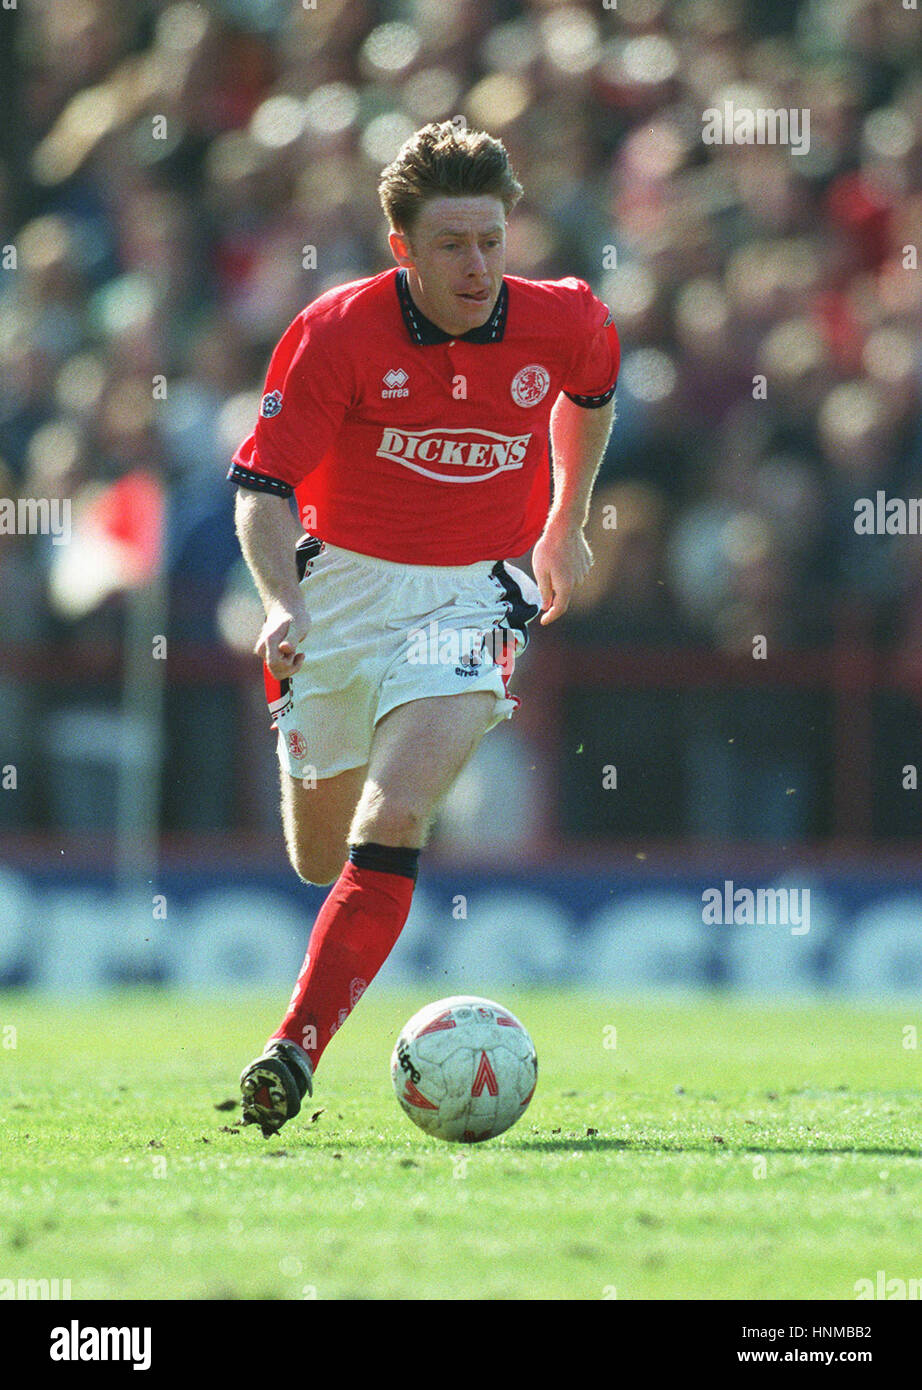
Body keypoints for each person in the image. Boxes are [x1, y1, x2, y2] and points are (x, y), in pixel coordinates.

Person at [228, 122, 619, 1135]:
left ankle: (292, 1052)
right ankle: (312, 730)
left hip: (473, 596)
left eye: (491, 238)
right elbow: (262, 486)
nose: (478, 264)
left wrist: (564, 524)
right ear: (401, 247)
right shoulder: (336, 332)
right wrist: (282, 602)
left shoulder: (564, 317)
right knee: (322, 859)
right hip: (340, 596)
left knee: (394, 819)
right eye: (451, 244)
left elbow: (592, 390)